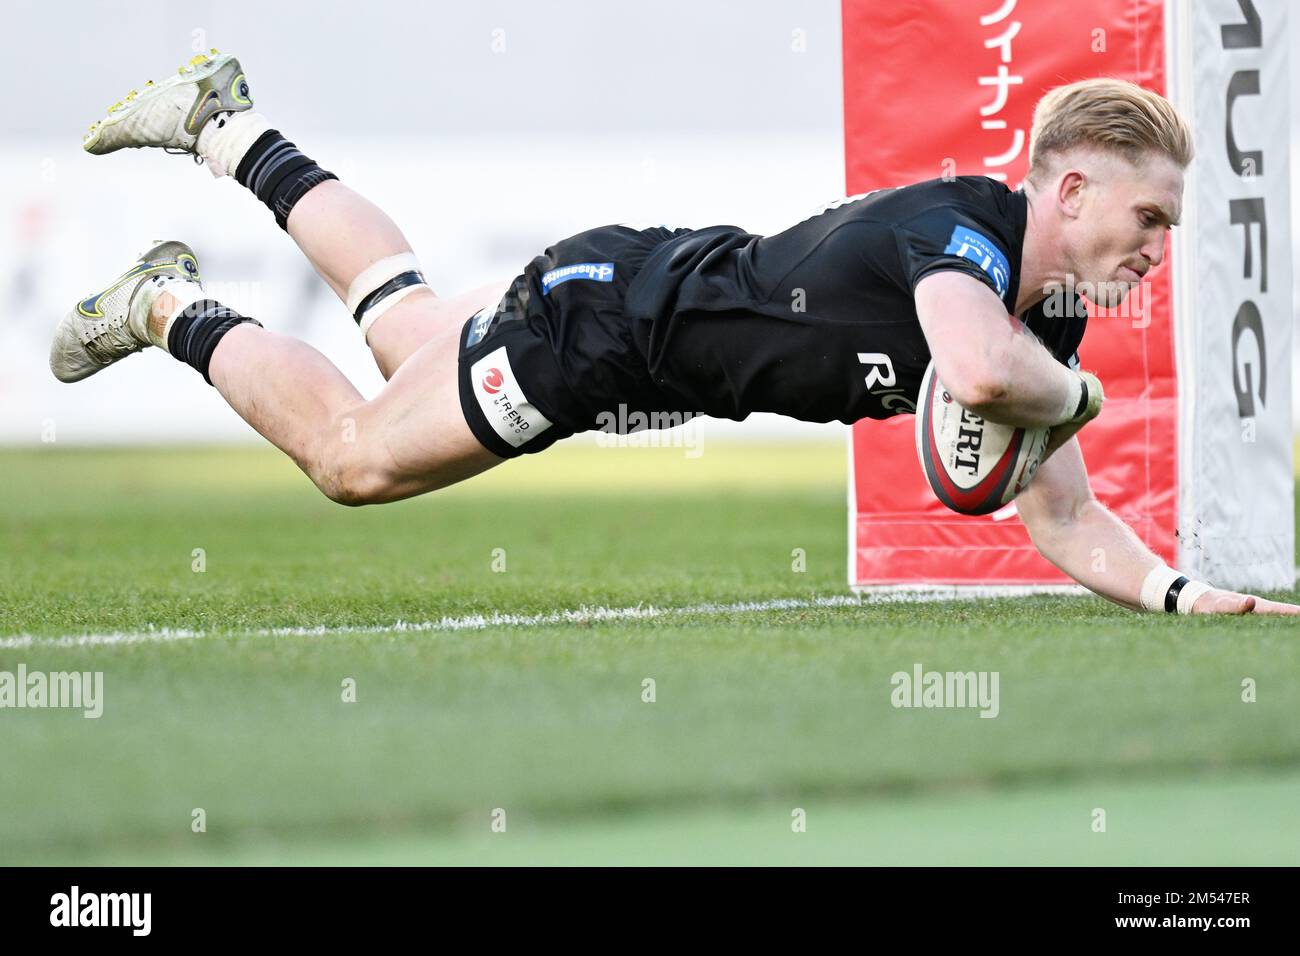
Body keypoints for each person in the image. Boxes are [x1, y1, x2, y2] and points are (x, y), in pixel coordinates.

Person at [52, 50, 1299, 616]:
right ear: (1068, 191)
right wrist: (1070, 404)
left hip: (622, 302)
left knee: (409, 334)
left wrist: (1183, 594)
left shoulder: (1050, 317)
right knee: (355, 460)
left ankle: (228, 131)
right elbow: (977, 372)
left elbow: (1063, 515)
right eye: (1148, 212)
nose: (1156, 243)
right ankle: (171, 303)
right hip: (603, 331)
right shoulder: (963, 232)